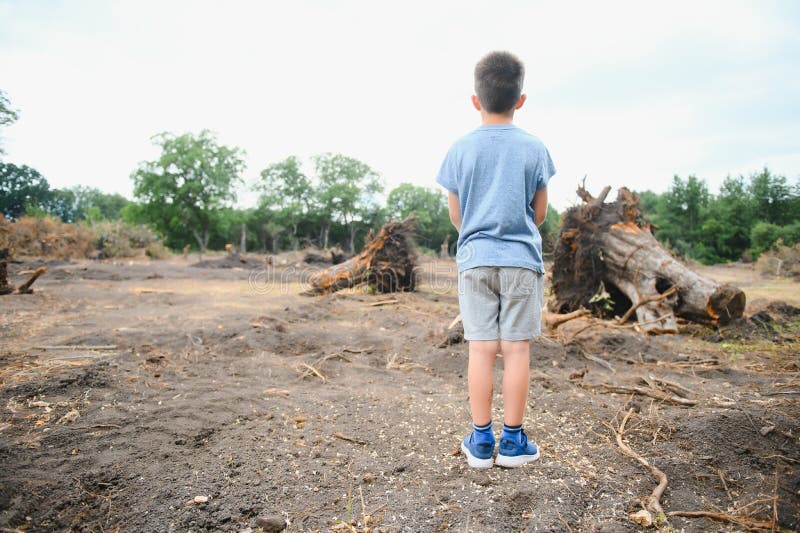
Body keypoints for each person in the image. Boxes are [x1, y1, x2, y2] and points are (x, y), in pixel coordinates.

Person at [436, 51, 555, 468]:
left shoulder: (459, 149)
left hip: (475, 260)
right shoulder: (534, 148)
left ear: (475, 100)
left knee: (482, 348)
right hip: (521, 259)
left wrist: (476, 233)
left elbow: (456, 215)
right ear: (520, 100)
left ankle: (482, 442)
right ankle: (515, 442)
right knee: (516, 348)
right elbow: (539, 214)